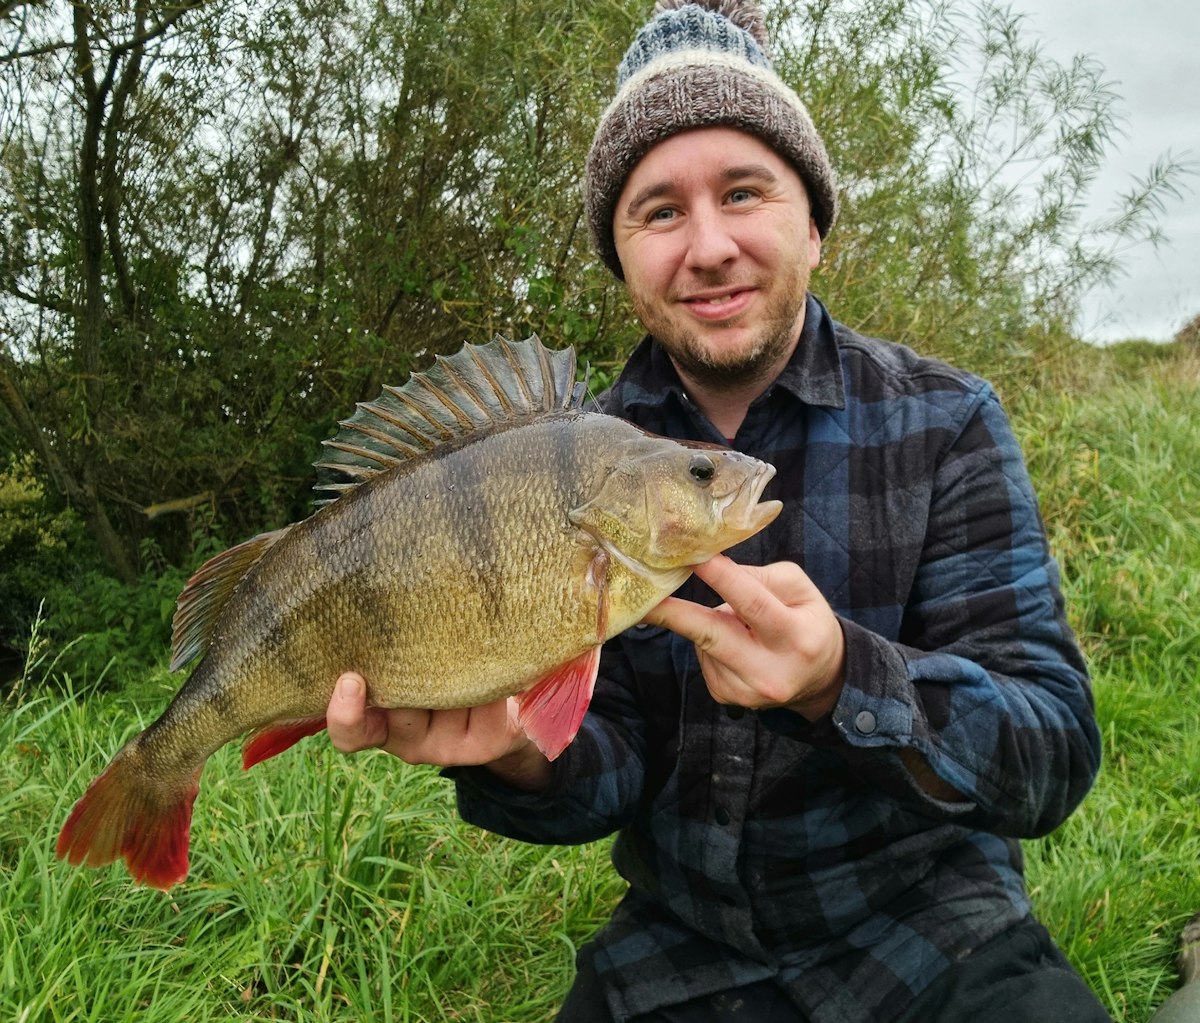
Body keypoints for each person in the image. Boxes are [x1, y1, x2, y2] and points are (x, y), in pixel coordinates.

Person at [326, 1, 1113, 1020]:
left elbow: (1051, 754)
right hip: (686, 951)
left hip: (934, 933)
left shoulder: (945, 423)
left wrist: (843, 679)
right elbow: (605, 774)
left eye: (744, 193)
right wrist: (524, 755)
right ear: (621, 257)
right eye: (658, 211)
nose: (707, 247)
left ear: (815, 225)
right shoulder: (573, 458)